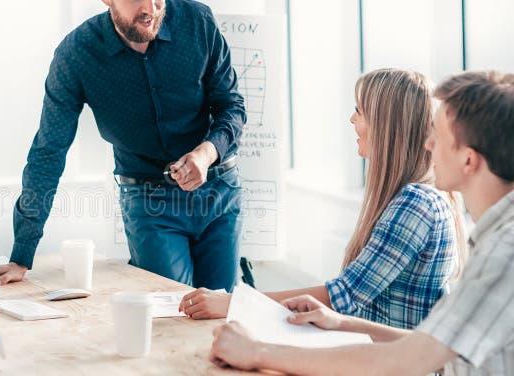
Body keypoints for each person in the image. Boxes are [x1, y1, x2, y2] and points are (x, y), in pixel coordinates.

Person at [209, 71, 514, 376]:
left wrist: (256, 352)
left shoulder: (503, 253)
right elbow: (428, 345)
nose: (428, 142)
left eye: (439, 137)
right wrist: (342, 323)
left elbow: (406, 360)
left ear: (469, 160)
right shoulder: (493, 238)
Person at [0, 0, 247, 291]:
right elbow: (49, 151)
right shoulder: (77, 54)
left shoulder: (198, 21)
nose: (150, 8)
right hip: (149, 202)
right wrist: (21, 254)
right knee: (170, 307)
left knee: (223, 308)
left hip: (219, 191)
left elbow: (231, 106)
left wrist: (206, 153)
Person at [181, 68, 465, 329]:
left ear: (386, 125)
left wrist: (233, 303)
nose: (352, 119)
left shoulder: (415, 204)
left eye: (360, 111)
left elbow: (343, 295)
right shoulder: (420, 197)